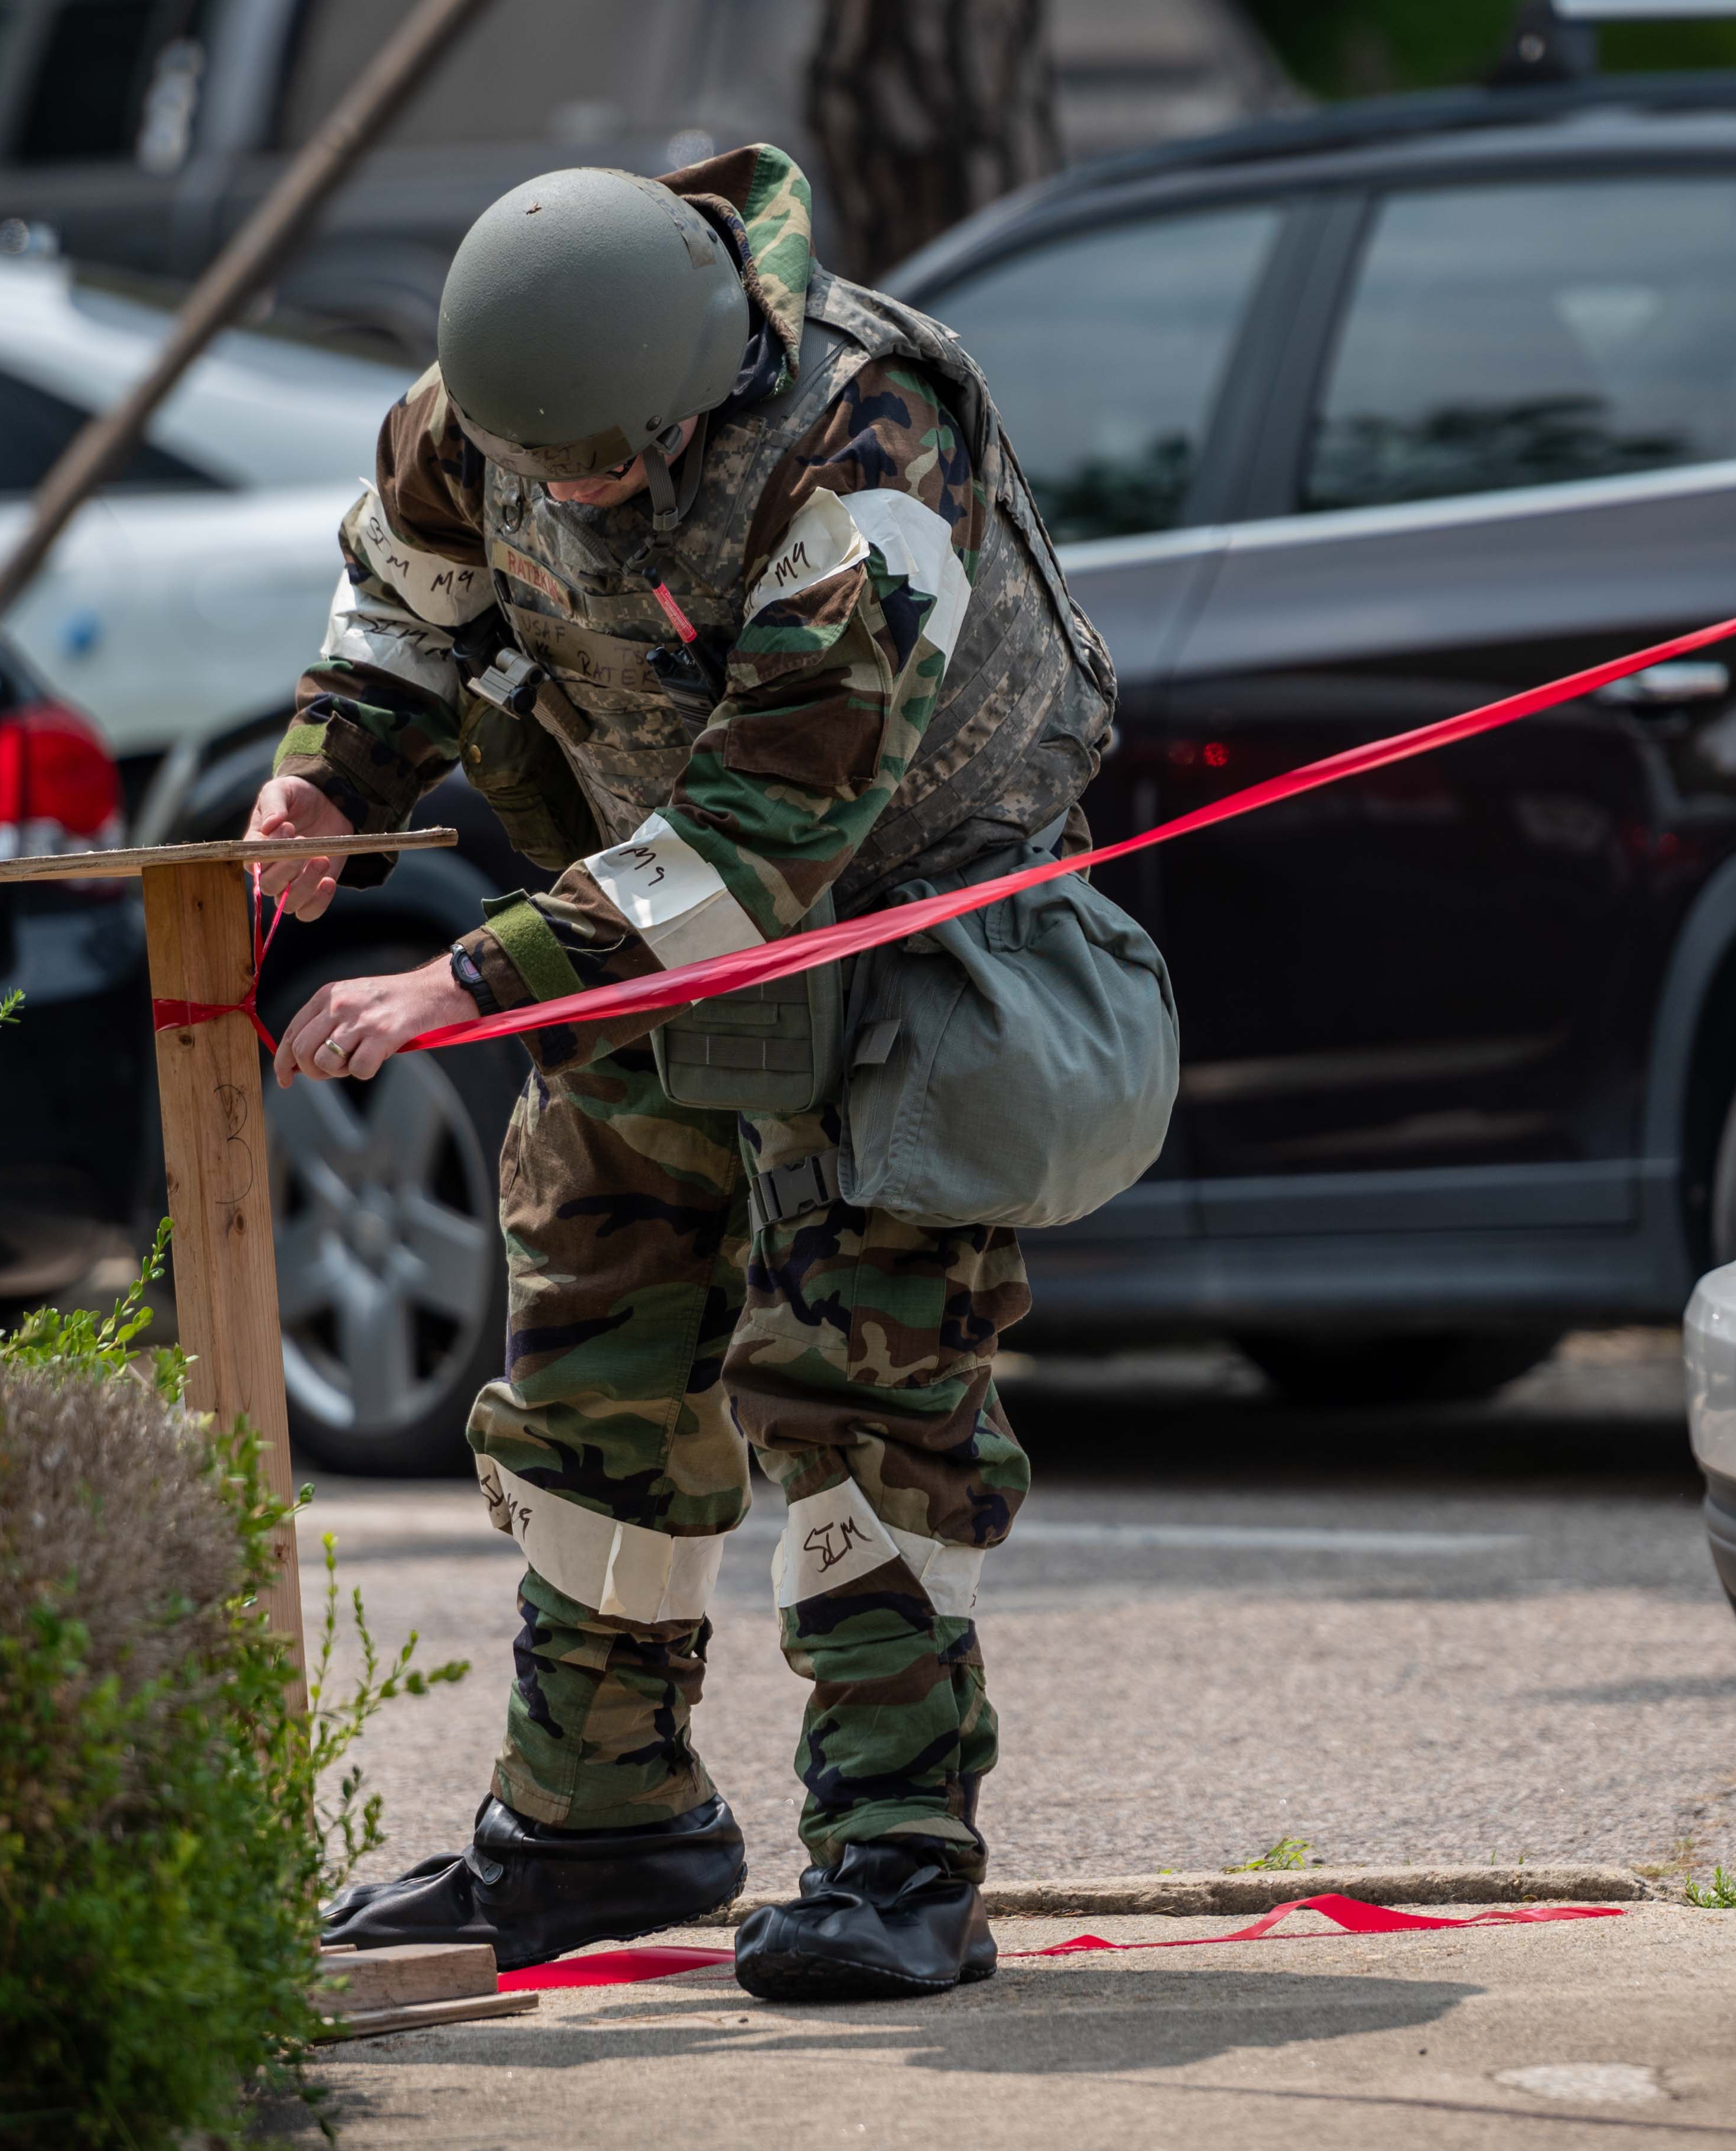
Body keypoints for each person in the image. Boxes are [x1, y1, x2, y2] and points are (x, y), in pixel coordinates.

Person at [255, 147, 1113, 2001]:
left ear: (700, 383)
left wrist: (458, 979)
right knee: (591, 1385)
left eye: (604, 467)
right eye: (539, 463)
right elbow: (401, 609)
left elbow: (770, 825)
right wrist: (331, 772)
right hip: (633, 910)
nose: (569, 495)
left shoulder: (870, 437)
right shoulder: (489, 404)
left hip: (894, 932)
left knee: (861, 1400)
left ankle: (898, 1859)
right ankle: (594, 1824)